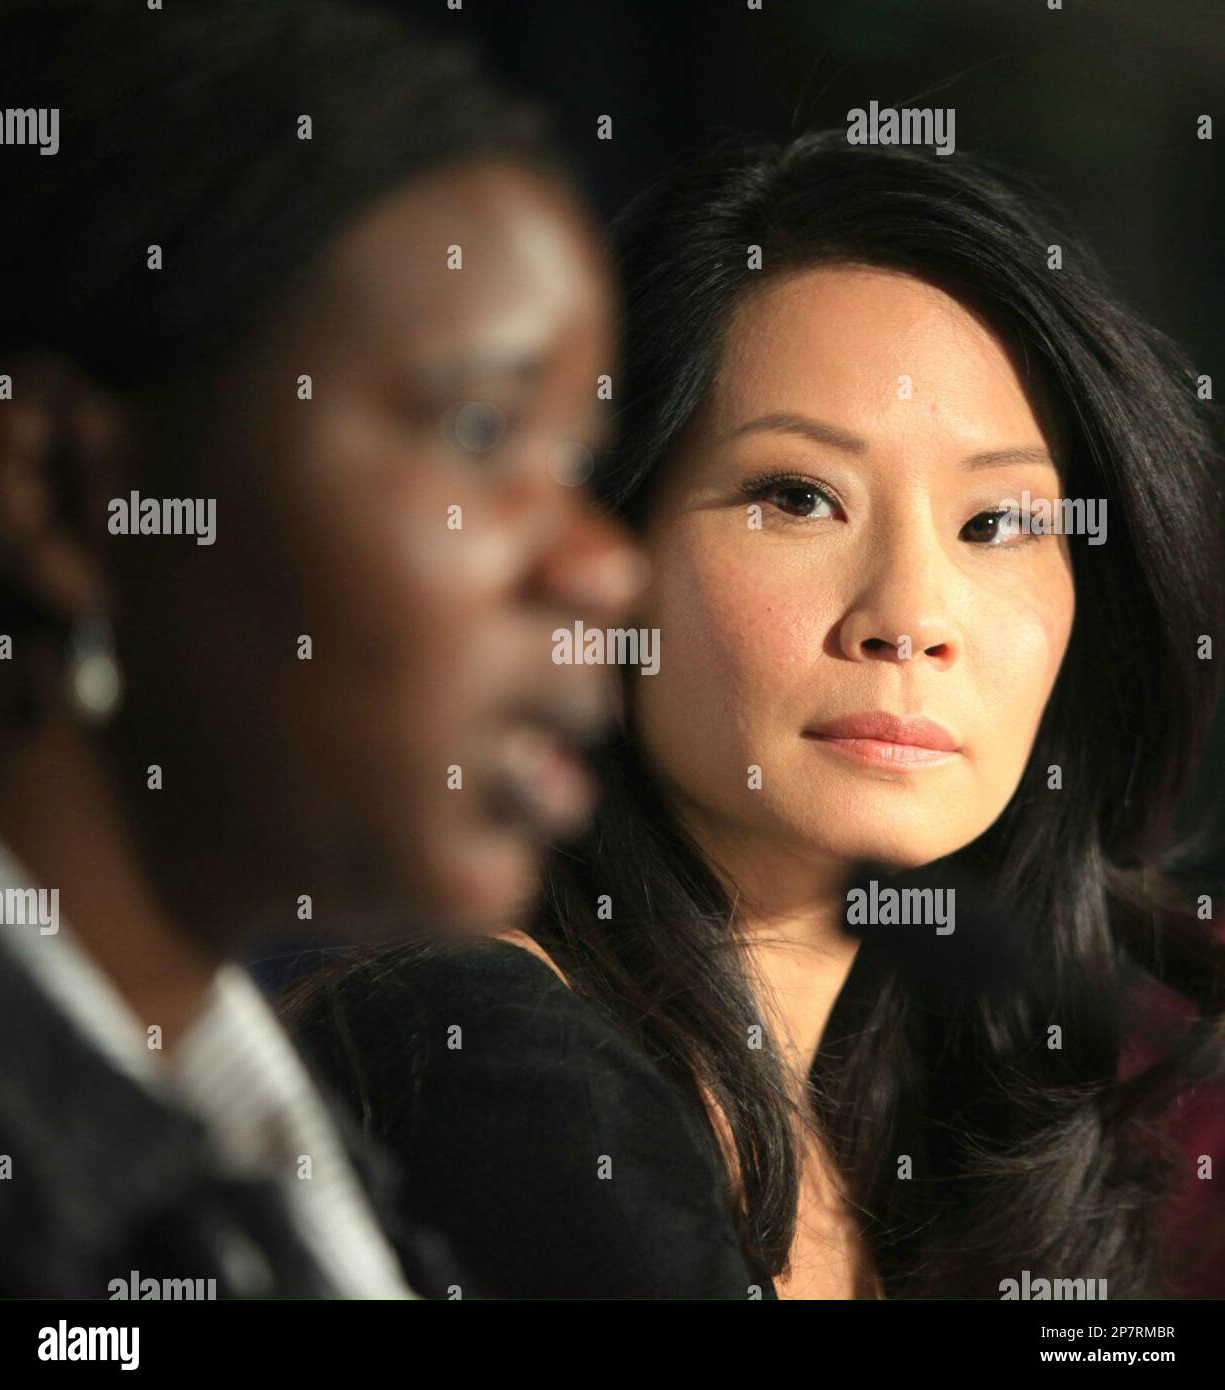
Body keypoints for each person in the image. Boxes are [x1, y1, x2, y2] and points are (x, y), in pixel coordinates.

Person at [287, 130, 1224, 1298]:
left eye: (996, 524)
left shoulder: (949, 1138)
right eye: (796, 496)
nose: (910, 617)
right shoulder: (477, 1046)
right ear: (602, 548)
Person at [0, 0, 645, 1297]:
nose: (601, 562)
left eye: (577, 463)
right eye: (477, 433)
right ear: (64, 493)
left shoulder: (281, 1171)